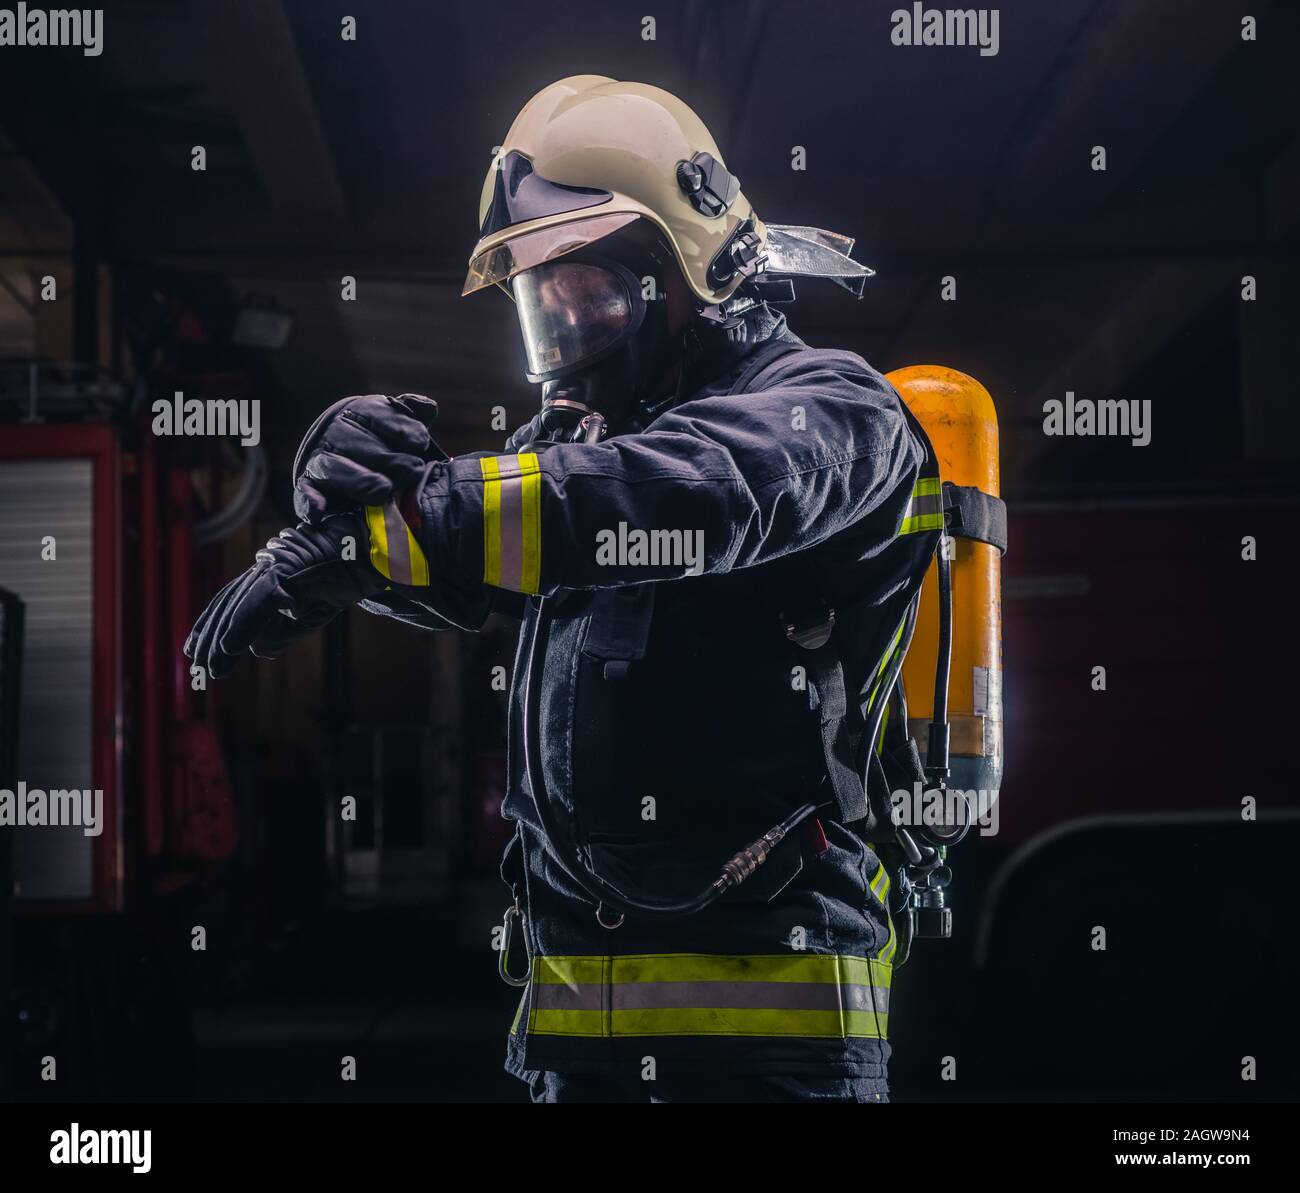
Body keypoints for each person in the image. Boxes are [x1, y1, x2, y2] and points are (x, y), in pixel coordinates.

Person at [187, 76, 944, 1103]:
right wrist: (343, 504)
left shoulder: (832, 411)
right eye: (543, 306)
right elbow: (479, 557)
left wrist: (394, 528)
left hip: (775, 1050)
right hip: (572, 1042)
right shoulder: (582, 448)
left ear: (687, 263)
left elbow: (677, 495)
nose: (566, 333)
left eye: (586, 293)